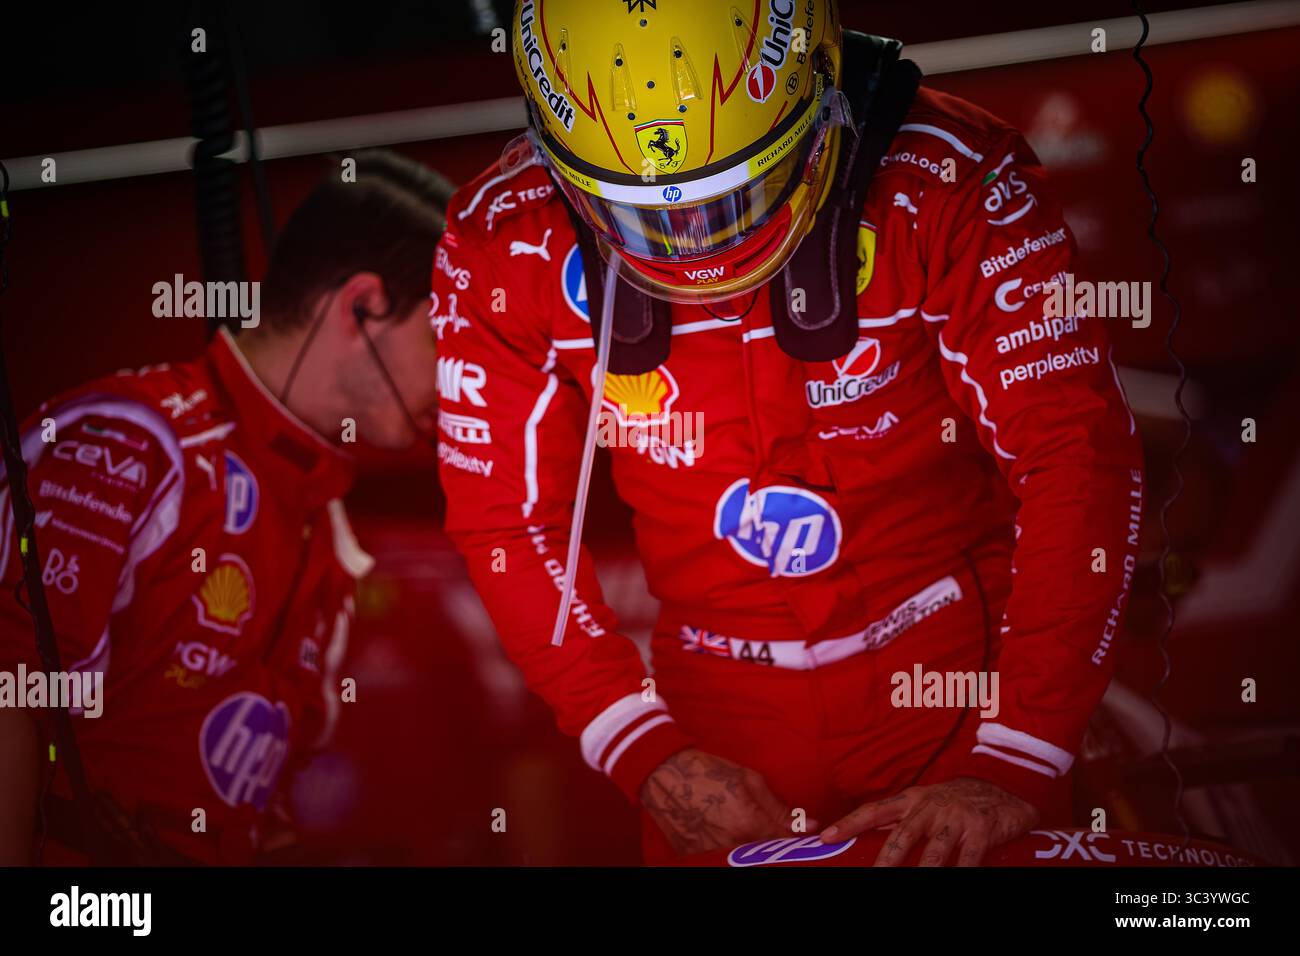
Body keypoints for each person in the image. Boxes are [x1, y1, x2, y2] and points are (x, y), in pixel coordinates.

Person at [433, 0, 1144, 865]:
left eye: (738, 193)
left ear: (822, 97)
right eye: (647, 214)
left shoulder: (949, 176)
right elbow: (507, 521)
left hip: (956, 682)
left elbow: (1076, 452)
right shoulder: (502, 236)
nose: (696, 248)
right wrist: (634, 741)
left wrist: (1020, 751)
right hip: (714, 724)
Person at [0, 149, 450, 864]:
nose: (465, 382)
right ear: (362, 305)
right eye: (446, 340)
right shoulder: (131, 443)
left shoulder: (328, 525)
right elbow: (9, 696)